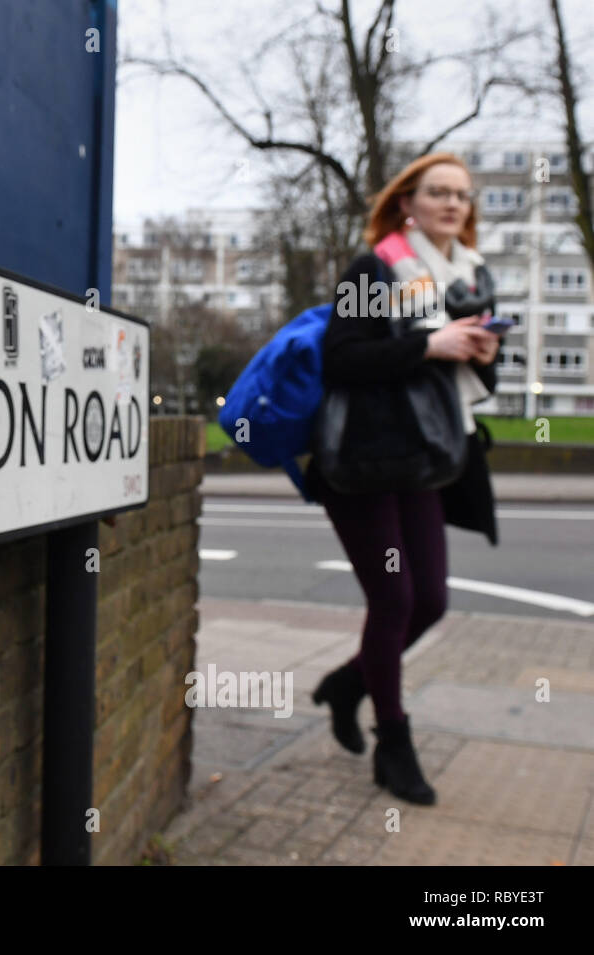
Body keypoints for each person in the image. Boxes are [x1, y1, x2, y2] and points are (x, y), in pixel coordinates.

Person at [303, 152, 501, 806]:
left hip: (422, 457)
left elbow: (468, 383)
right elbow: (341, 358)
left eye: (462, 196)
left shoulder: (468, 278)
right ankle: (394, 742)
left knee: (432, 602)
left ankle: (346, 683)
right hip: (362, 463)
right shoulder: (377, 267)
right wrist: (429, 345)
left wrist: (480, 352)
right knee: (393, 600)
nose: (452, 204)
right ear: (407, 204)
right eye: (438, 192)